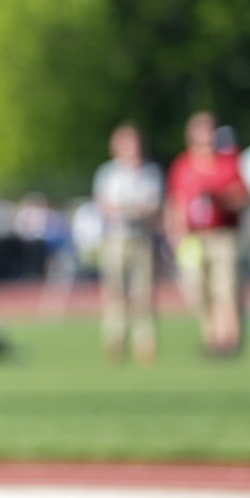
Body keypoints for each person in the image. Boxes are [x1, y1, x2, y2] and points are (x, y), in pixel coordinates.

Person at [166, 111, 250, 356]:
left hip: (223, 235)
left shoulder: (229, 162)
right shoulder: (183, 165)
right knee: (198, 290)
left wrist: (219, 198)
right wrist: (176, 234)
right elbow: (176, 203)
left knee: (226, 289)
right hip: (194, 238)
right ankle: (211, 336)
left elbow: (243, 197)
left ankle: (230, 339)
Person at [93, 122, 163, 363]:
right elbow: (104, 205)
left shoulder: (149, 172)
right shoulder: (108, 173)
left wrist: (133, 210)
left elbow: (152, 206)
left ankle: (146, 341)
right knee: (116, 291)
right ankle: (116, 338)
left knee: (144, 292)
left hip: (141, 237)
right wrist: (126, 209)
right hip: (117, 237)